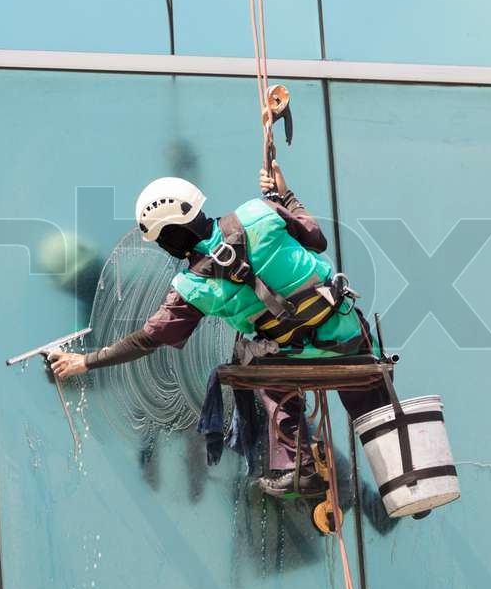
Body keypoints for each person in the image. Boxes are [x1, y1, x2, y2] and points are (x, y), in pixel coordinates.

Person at [48, 163, 389, 498]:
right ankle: (405, 479)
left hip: (295, 359)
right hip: (351, 339)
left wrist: (85, 362)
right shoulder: (260, 212)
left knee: (262, 377)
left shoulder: (192, 287)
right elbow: (316, 238)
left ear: (169, 235)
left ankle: (298, 466)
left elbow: (147, 340)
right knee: (376, 409)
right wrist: (285, 196)